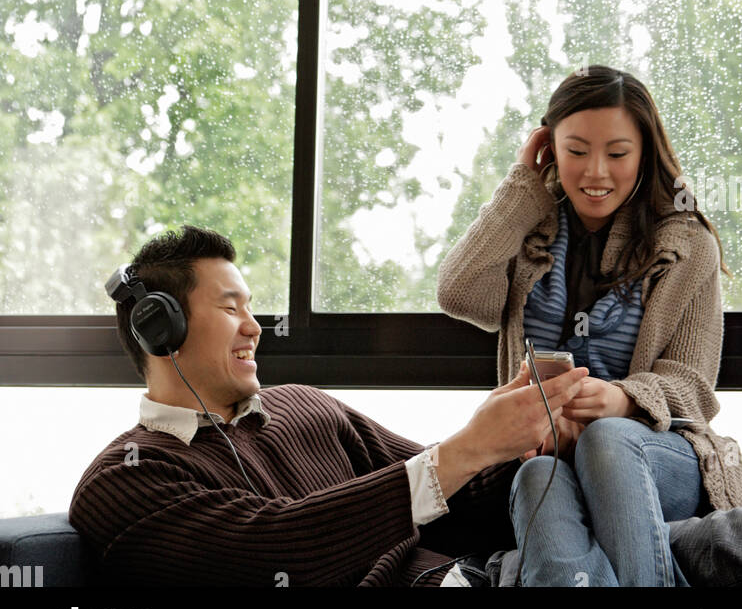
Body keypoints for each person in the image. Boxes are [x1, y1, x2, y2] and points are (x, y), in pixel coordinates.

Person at [68, 224, 586, 587]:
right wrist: (469, 447)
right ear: (162, 330)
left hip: (498, 573)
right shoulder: (126, 482)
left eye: (251, 307)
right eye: (230, 308)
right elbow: (279, 552)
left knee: (662, 531)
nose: (254, 327)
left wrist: (523, 442)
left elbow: (448, 501)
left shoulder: (305, 406)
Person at [437, 64, 742, 587]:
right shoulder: (528, 237)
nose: (596, 172)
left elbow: (693, 388)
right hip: (551, 456)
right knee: (534, 477)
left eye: (617, 153)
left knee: (607, 441)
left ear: (644, 151)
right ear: (548, 147)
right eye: (575, 151)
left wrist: (620, 401)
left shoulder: (686, 245)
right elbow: (459, 293)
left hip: (660, 459)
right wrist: (522, 188)